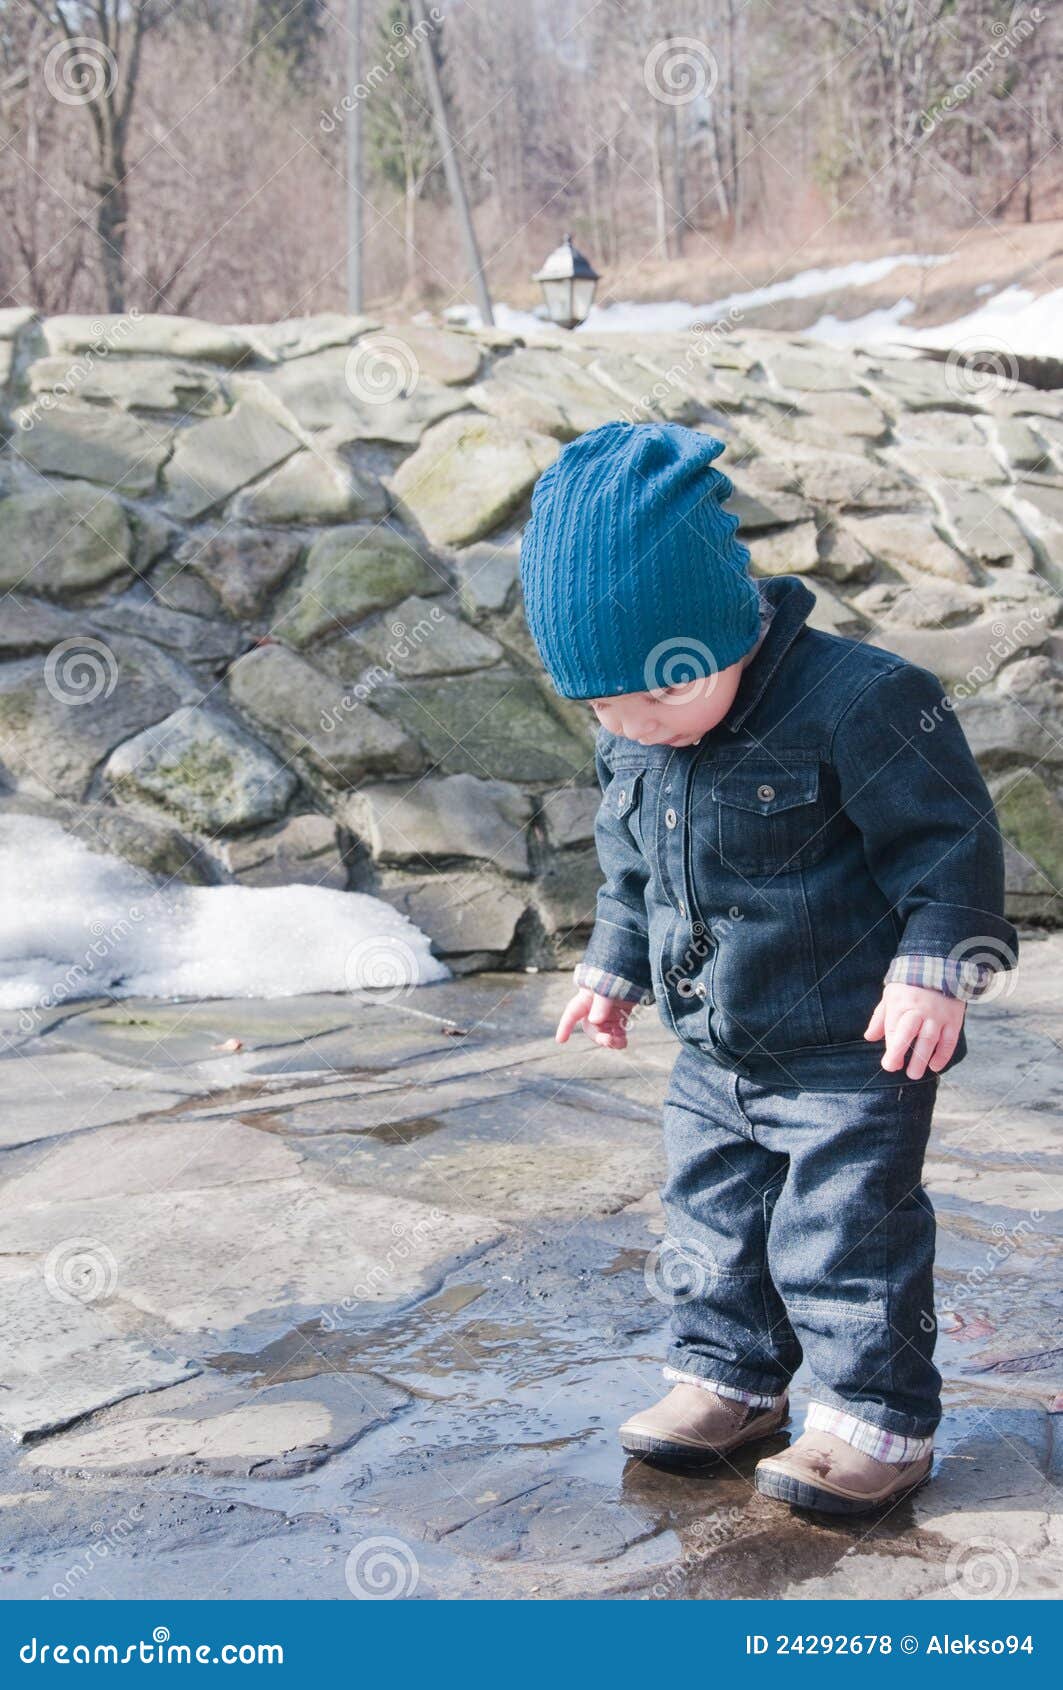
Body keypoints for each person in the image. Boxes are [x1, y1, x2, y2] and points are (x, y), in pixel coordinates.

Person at [518, 421, 1017, 1515]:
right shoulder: (635, 728)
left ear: (722, 626)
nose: (631, 726)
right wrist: (611, 967)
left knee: (844, 1233)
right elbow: (629, 864)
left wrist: (934, 968)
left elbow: (951, 848)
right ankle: (729, 1381)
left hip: (850, 1049)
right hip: (713, 1048)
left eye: (654, 698)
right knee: (709, 1222)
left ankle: (872, 1419)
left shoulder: (862, 700)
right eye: (602, 710)